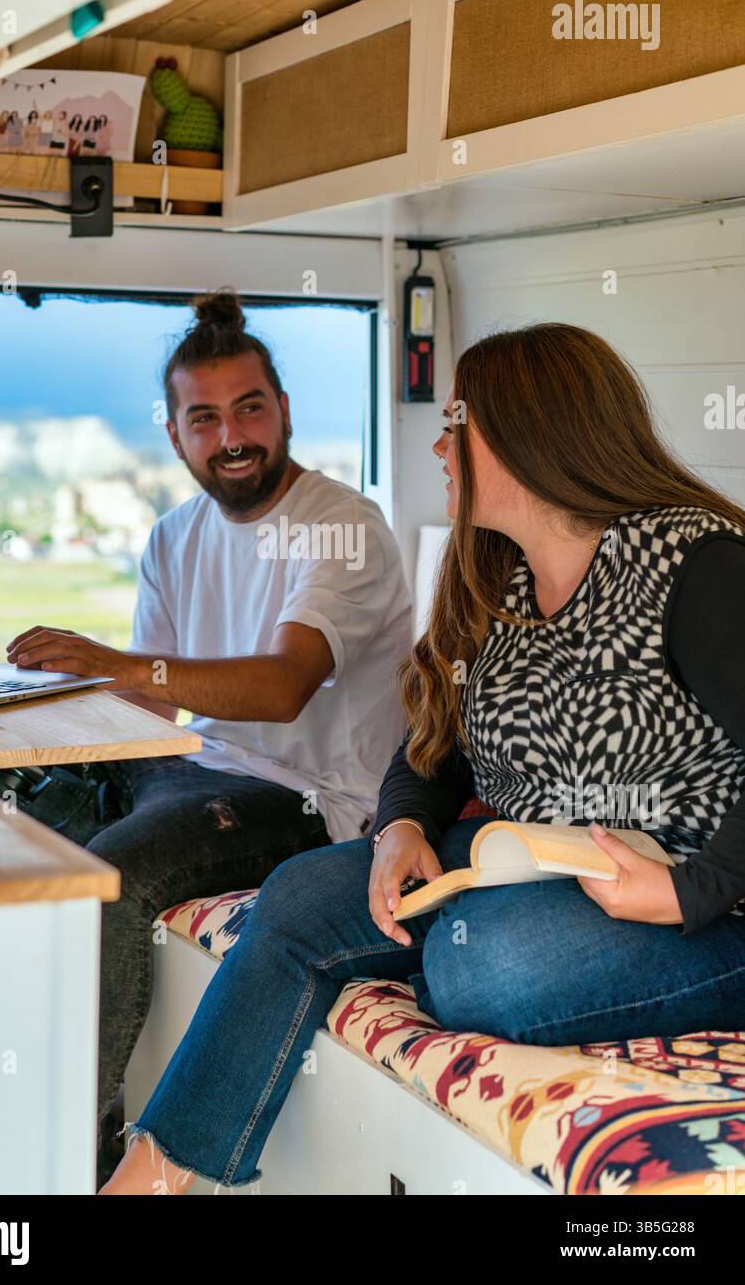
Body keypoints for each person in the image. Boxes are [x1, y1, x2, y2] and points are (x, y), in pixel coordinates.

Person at [95, 320, 745, 1196]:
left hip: (710, 905)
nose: (438, 445)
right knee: (302, 896)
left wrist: (685, 890)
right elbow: (430, 741)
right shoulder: (494, 577)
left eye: (455, 424)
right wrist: (402, 823)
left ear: (525, 431)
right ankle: (154, 1174)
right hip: (555, 872)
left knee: (486, 967)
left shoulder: (695, 565)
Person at [5, 290, 414, 1180]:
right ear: (176, 435)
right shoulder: (172, 536)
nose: (232, 435)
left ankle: (68, 1156)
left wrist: (116, 663)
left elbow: (280, 687)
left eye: (250, 409)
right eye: (205, 417)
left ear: (286, 413)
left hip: (307, 802)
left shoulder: (342, 527)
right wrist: (15, 713)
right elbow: (148, 709)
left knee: (103, 881)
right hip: (196, 770)